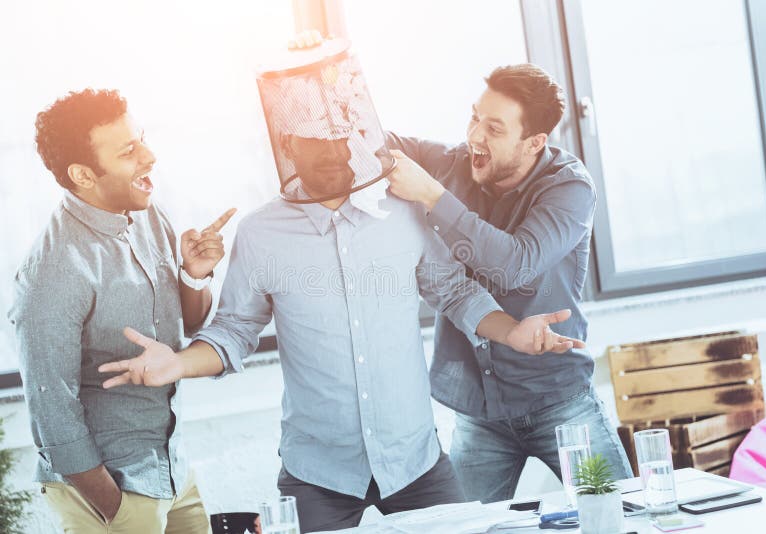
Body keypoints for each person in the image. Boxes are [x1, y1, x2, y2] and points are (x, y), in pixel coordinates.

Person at [97, 47, 586, 533]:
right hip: (319, 472)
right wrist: (178, 362)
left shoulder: (404, 210)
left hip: (416, 462)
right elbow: (234, 330)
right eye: (315, 138)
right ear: (288, 144)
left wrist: (514, 333)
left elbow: (457, 293)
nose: (334, 152)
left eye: (341, 136)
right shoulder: (260, 233)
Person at [386, 63, 633, 503]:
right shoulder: (453, 163)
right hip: (480, 413)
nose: (475, 135)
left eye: (494, 128)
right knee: (458, 531)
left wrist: (431, 196)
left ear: (535, 142)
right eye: (475, 117)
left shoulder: (569, 189)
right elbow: (371, 143)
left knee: (621, 516)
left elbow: (513, 265)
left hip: (561, 404)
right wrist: (329, 72)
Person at [9, 88, 234, 533]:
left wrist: (194, 275)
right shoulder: (52, 270)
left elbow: (184, 326)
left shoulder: (150, 216)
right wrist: (115, 509)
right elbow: (50, 410)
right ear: (83, 174)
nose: (149, 157)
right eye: (129, 151)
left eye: (142, 140)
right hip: (111, 485)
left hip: (169, 467)